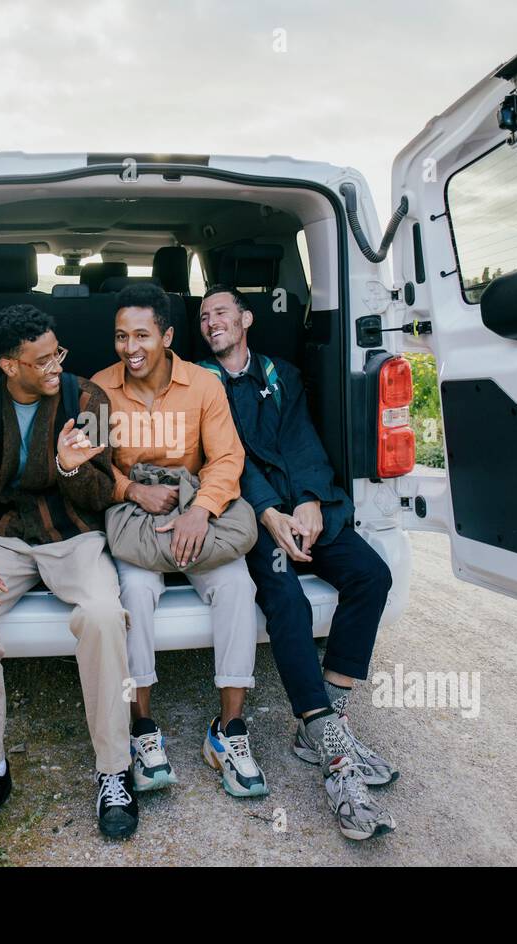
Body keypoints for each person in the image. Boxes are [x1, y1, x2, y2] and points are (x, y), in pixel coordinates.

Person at [197, 283, 398, 840]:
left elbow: (304, 438)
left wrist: (309, 498)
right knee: (285, 599)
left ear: (246, 318)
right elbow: (223, 457)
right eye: (203, 316)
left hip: (307, 503)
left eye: (221, 312)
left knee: (370, 576)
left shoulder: (280, 372)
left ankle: (326, 717)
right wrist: (269, 514)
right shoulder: (198, 380)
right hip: (250, 511)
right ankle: (331, 746)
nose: (212, 321)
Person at [0, 303, 138, 841]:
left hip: (74, 535)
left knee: (101, 615)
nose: (55, 367)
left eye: (58, 354)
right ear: (9, 365)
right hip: (3, 540)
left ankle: (114, 770)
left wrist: (71, 466)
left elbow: (101, 495)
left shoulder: (87, 399)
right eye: (41, 361)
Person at [92, 282, 267, 799]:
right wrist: (130, 490)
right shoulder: (98, 389)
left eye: (142, 335)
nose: (131, 348)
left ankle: (229, 732)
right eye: (122, 337)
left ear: (167, 336)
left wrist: (200, 510)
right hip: (135, 521)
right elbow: (89, 465)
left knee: (237, 586)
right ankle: (142, 730)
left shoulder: (203, 386)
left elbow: (227, 458)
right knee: (137, 595)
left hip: (194, 512)